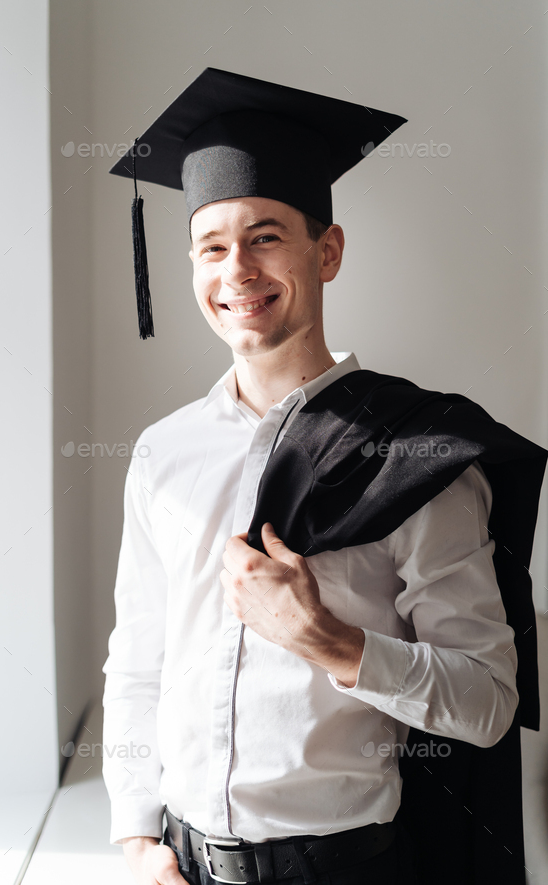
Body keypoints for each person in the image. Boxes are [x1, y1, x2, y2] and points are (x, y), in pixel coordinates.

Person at [102, 69, 545, 885]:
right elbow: (138, 656)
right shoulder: (162, 454)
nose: (237, 269)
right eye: (212, 245)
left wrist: (327, 641)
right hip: (182, 865)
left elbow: (488, 700)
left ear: (327, 250)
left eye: (266, 235)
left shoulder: (416, 455)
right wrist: (135, 834)